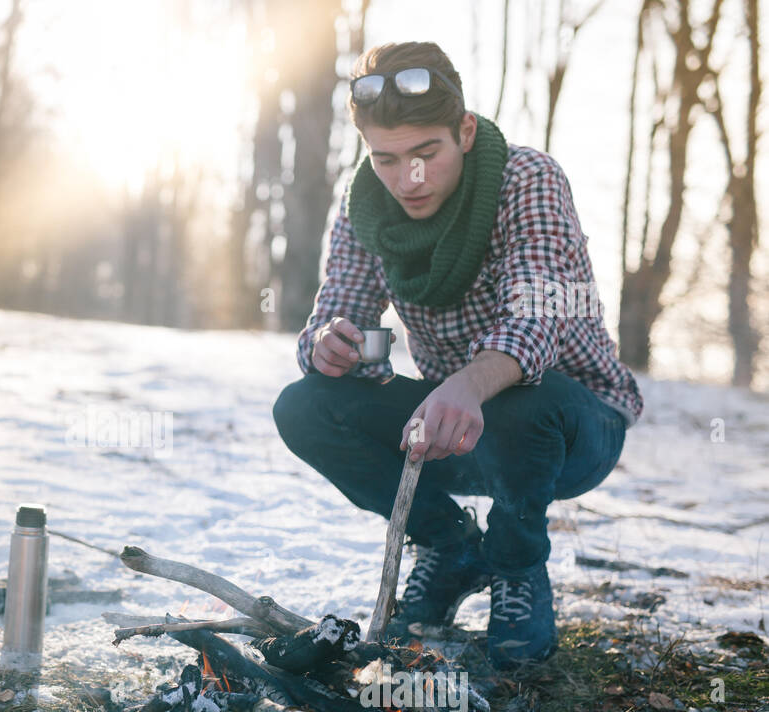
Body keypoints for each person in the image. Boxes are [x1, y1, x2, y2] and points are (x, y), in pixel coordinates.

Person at [272, 41, 644, 669]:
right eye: (385, 159)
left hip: (572, 424)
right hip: (462, 423)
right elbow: (334, 321)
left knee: (529, 396)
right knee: (305, 406)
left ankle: (518, 569)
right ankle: (447, 545)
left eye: (426, 154)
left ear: (464, 131)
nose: (407, 179)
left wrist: (469, 384)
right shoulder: (366, 206)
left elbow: (536, 323)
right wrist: (331, 345)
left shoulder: (528, 179)